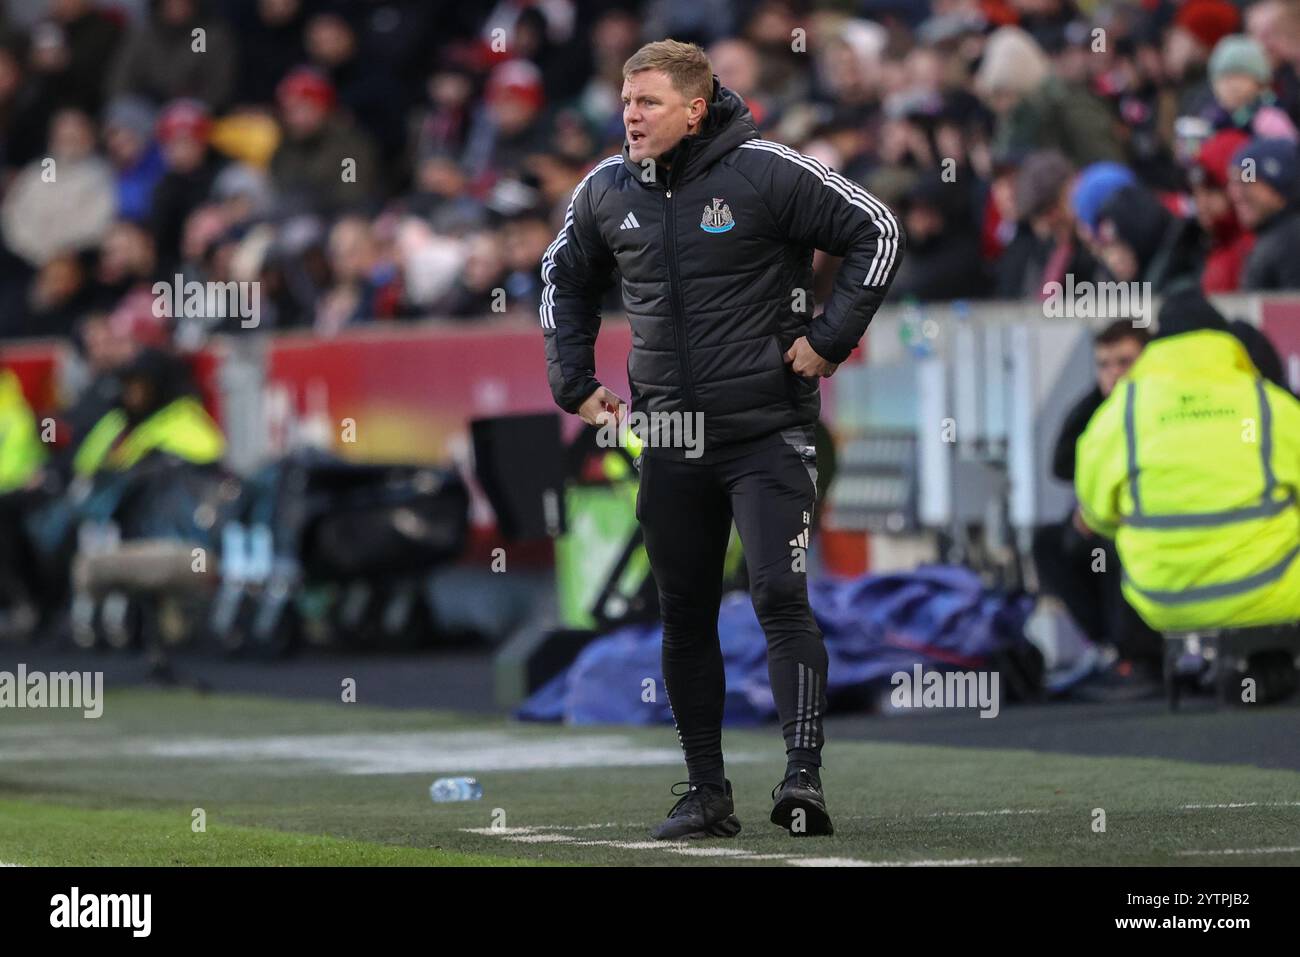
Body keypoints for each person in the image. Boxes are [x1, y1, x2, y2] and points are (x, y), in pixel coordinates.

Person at [540, 40, 903, 839]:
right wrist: (573, 379)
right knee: (684, 610)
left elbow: (878, 230)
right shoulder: (605, 191)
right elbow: (562, 277)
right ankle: (706, 791)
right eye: (625, 101)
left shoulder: (767, 171)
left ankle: (801, 777)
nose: (630, 116)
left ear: (696, 109)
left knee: (778, 592)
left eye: (648, 103)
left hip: (766, 429)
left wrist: (830, 339)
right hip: (668, 435)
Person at [1075, 292, 1300, 632]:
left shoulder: (1124, 410)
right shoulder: (1266, 404)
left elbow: (1096, 514)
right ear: (1225, 340)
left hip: (1162, 601)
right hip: (1273, 593)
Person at [1032, 321, 1162, 685]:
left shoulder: (1162, 404)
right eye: (1104, 365)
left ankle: (1140, 654)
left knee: (1112, 537)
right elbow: (1061, 464)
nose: (1114, 374)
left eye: (1124, 362)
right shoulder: (1093, 407)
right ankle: (1111, 647)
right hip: (1100, 519)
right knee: (1050, 543)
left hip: (1154, 525)